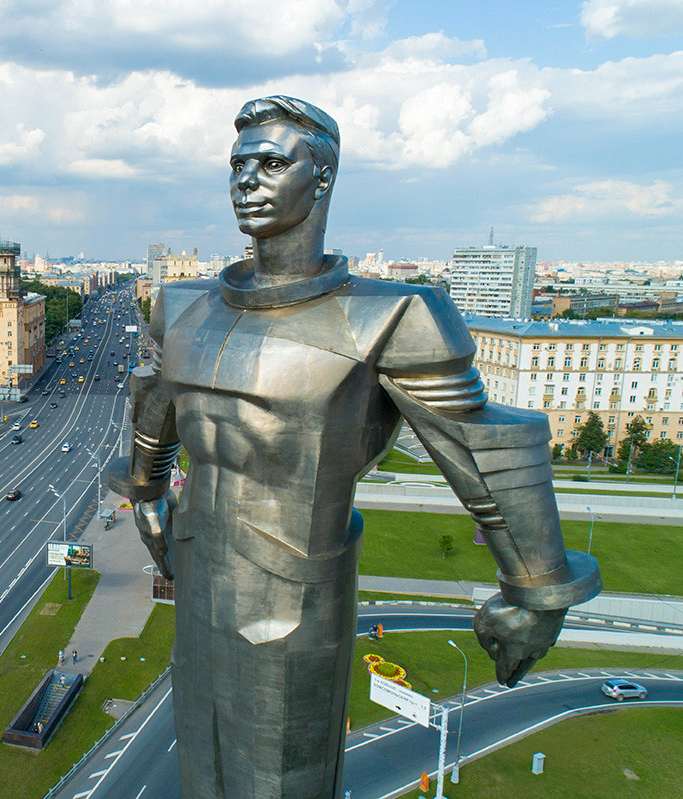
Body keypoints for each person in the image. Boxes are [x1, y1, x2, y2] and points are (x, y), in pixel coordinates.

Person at [107, 96, 600, 798]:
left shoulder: (391, 315)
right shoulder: (182, 303)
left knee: (282, 782)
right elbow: (153, 399)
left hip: (294, 593)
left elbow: (485, 443)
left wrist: (537, 591)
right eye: (238, 164)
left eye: (272, 162)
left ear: (323, 178)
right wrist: (147, 490)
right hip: (198, 573)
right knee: (203, 770)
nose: (247, 179)